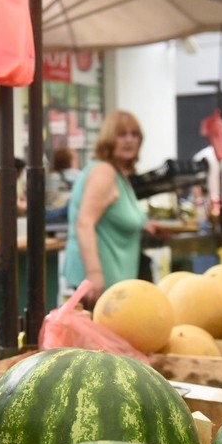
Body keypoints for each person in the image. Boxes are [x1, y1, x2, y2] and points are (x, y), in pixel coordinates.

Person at [62, 110, 165, 305]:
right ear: (109, 138)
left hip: (116, 282)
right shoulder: (104, 172)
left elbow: (116, 214)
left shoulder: (119, 174)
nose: (129, 140)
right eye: (122, 134)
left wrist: (144, 224)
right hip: (100, 285)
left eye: (134, 135)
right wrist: (94, 273)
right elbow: (84, 222)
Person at [44, 146, 79, 223]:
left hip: (51, 214)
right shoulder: (77, 175)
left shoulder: (51, 176)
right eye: (75, 159)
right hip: (57, 213)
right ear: (71, 161)